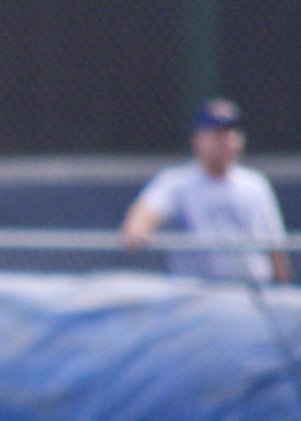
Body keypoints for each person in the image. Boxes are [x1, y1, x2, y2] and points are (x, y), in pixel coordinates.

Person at [121, 98, 289, 284]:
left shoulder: (255, 184)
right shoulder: (177, 182)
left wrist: (280, 289)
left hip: (252, 292)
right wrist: (138, 229)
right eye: (217, 133)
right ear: (197, 139)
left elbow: (276, 248)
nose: (227, 139)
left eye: (232, 132)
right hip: (199, 295)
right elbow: (144, 214)